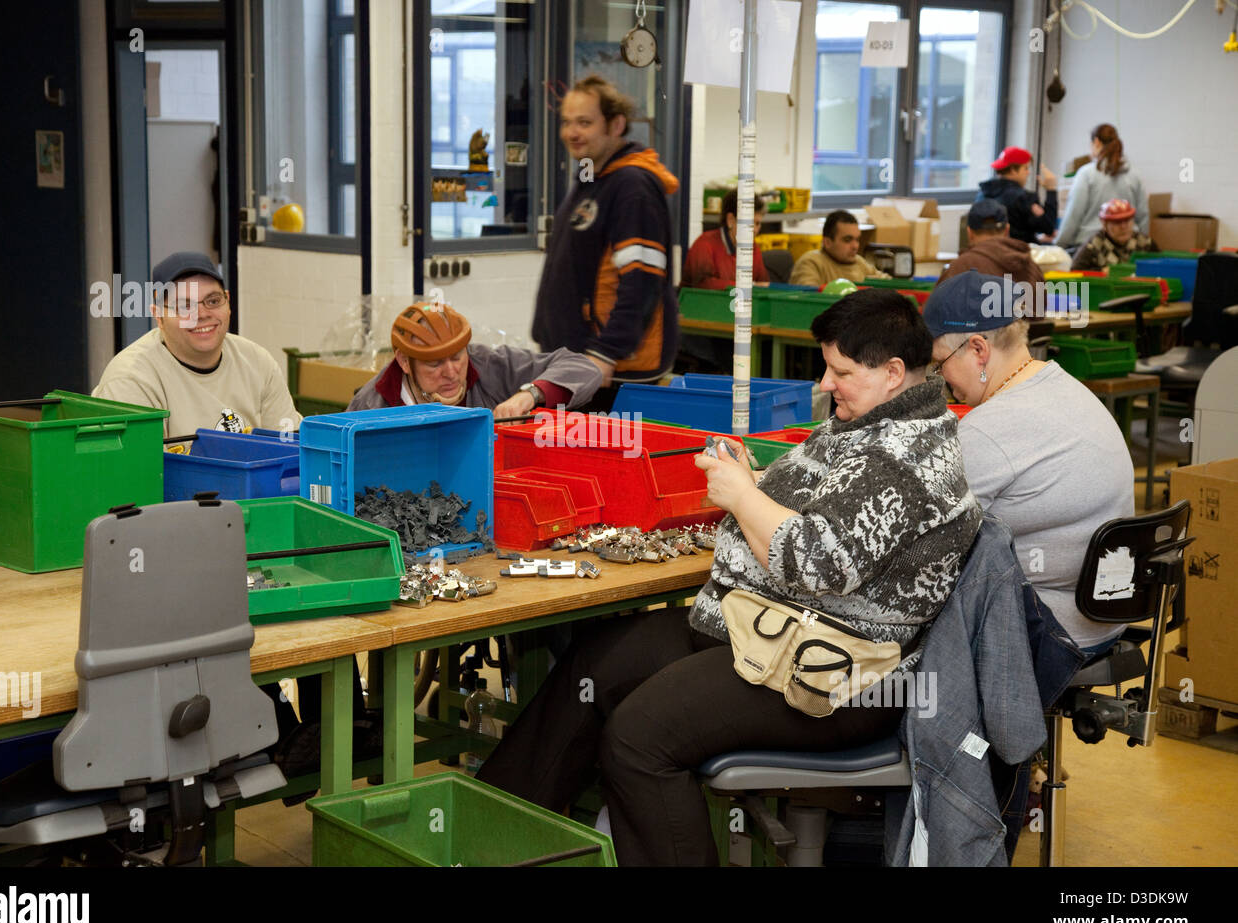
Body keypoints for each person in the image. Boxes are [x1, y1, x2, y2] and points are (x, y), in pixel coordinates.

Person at [476, 289, 982, 866]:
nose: (823, 383)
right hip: (763, 628)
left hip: (830, 675)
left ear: (894, 373)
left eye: (840, 370)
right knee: (593, 667)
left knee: (639, 740)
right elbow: (817, 508)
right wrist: (755, 482)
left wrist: (742, 496)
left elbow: (816, 563)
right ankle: (490, 842)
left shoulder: (904, 459)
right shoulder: (868, 423)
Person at [924, 270, 1135, 656]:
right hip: (1108, 615)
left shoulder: (990, 429)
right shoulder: (1067, 387)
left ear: (978, 350)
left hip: (1049, 633)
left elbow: (925, 540)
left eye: (940, 364)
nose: (940, 379)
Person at [531, 74, 680, 404]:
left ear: (615, 125)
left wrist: (606, 351)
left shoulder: (632, 186)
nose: (572, 133)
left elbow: (642, 281)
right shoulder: (592, 177)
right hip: (578, 361)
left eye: (585, 122)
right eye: (567, 122)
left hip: (612, 368)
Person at [94, 251, 300, 438]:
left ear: (228, 302)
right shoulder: (130, 380)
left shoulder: (258, 362)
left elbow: (290, 449)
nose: (201, 315)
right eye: (184, 306)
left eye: (213, 301)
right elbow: (140, 473)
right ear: (158, 314)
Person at [347, 302, 601, 414]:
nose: (450, 372)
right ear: (404, 362)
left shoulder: (489, 365)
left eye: (456, 357)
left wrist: (529, 395)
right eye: (434, 363)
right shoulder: (370, 404)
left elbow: (583, 367)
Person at [1055, 124, 1149, 250]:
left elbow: (1073, 215)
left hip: (1092, 248)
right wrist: (1142, 246)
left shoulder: (1086, 174)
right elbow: (1143, 216)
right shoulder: (1135, 175)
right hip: (1128, 249)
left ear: (1096, 142)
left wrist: (1058, 245)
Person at [937, 199, 1045, 300]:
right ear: (1007, 229)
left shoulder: (960, 267)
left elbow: (936, 312)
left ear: (969, 233)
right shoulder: (1030, 265)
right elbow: (1040, 309)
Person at [681, 189, 770, 289]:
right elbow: (703, 285)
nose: (754, 229)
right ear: (731, 220)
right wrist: (749, 286)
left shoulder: (753, 248)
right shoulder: (704, 245)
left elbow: (763, 284)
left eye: (757, 223)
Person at [975, 146, 1058, 246]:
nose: (1028, 173)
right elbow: (1049, 228)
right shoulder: (1023, 198)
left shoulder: (982, 194)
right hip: (1017, 255)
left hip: (987, 252)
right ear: (1013, 170)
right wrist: (1051, 190)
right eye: (1026, 168)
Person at [788, 210, 890, 287]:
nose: (855, 246)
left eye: (857, 240)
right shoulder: (811, 262)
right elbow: (808, 300)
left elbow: (887, 283)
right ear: (827, 242)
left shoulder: (859, 262)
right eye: (847, 240)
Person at [1070, 199, 1158, 270]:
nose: (1123, 227)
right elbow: (1074, 274)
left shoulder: (1145, 242)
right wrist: (1099, 273)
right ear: (1105, 224)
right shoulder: (1093, 246)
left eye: (1127, 220)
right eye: (1117, 222)